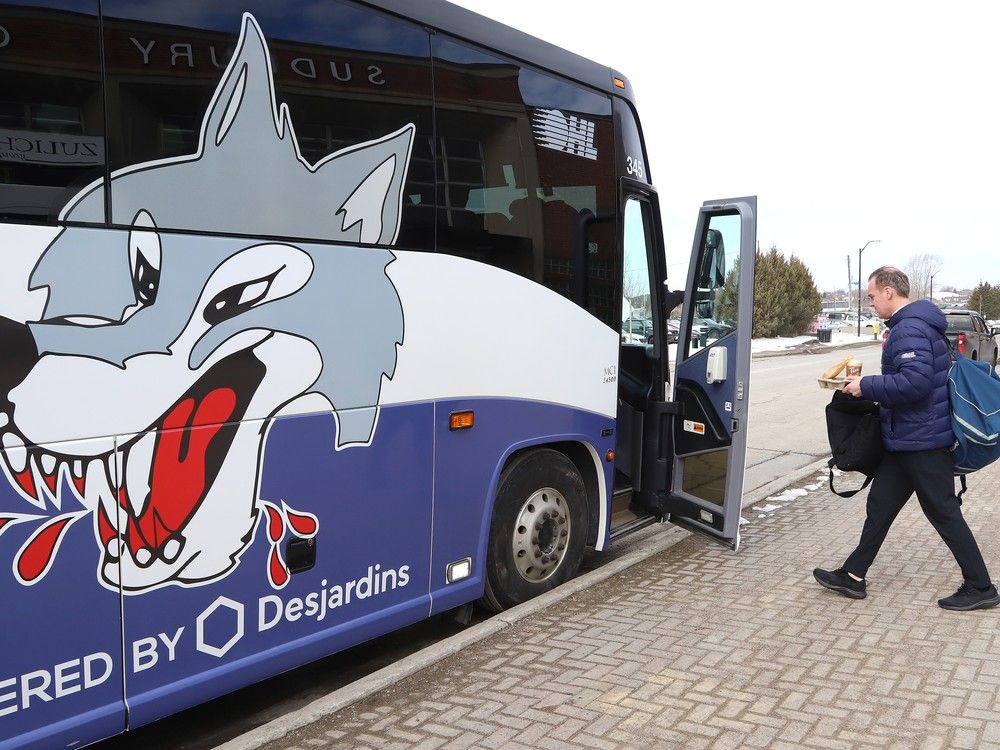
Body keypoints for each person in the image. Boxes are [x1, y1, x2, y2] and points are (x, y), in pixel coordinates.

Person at [814, 266, 998, 611]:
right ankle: (853, 575)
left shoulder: (909, 329)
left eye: (871, 296)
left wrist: (864, 386)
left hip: (923, 441)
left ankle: (981, 587)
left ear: (888, 292)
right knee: (880, 505)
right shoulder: (915, 325)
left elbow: (913, 384)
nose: (870, 303)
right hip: (908, 439)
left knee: (944, 512)